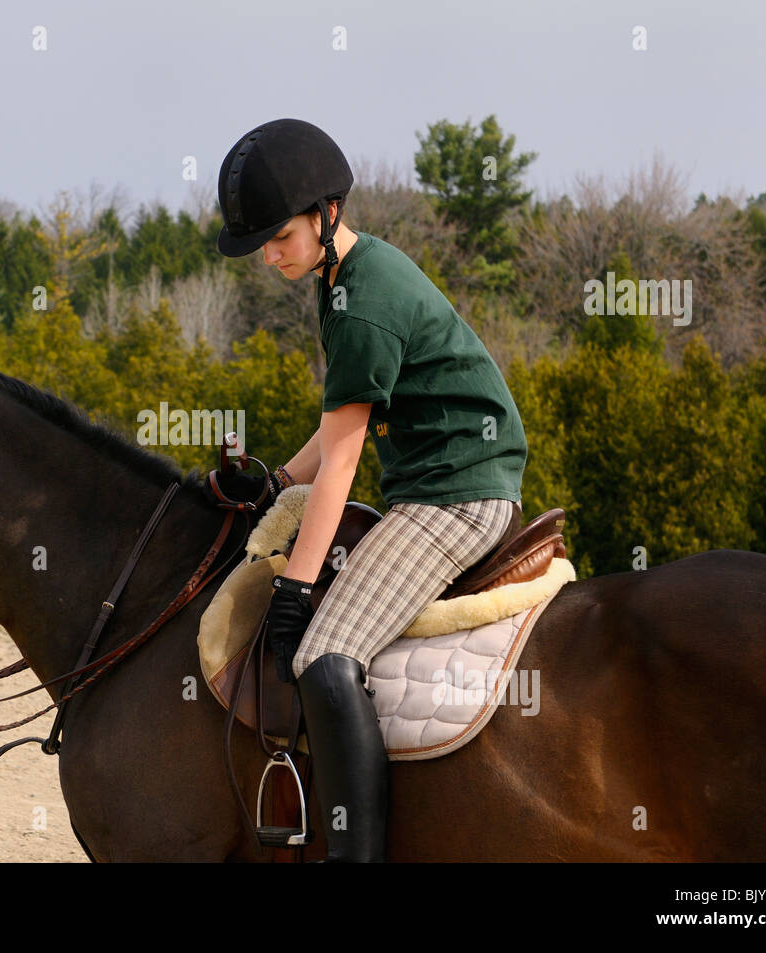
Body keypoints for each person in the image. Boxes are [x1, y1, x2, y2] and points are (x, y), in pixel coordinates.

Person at [214, 118, 528, 862]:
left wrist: (294, 590)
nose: (270, 254)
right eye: (261, 242)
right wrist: (277, 480)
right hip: (433, 487)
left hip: (458, 496)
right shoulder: (343, 280)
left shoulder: (365, 298)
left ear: (326, 214)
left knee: (325, 654)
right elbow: (336, 430)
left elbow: (348, 459)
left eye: (280, 235)